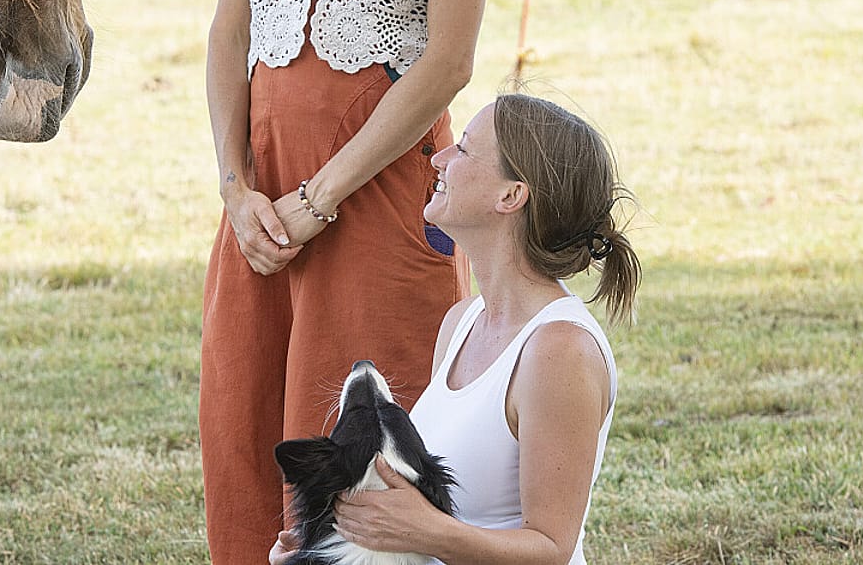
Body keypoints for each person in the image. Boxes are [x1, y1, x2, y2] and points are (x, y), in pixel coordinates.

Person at [200, 0, 509, 561]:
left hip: (382, 202)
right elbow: (228, 35)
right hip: (261, 206)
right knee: (244, 423)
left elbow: (447, 61)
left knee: (377, 463)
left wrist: (320, 197)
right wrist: (238, 190)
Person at [271, 93, 641, 564]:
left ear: (510, 195)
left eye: (463, 148)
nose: (441, 157)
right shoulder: (461, 322)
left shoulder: (559, 349)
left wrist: (426, 530)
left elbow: (551, 549)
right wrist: (331, 548)